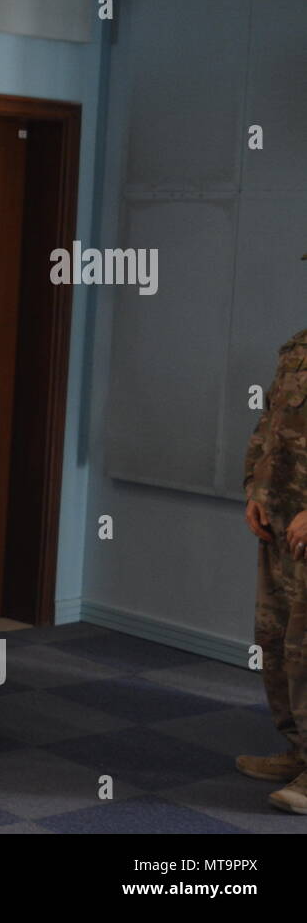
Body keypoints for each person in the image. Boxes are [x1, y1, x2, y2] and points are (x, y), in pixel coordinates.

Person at [241, 328, 307, 814]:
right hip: (280, 521)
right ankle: (300, 751)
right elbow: (269, 424)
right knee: (278, 640)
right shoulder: (296, 347)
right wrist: (254, 489)